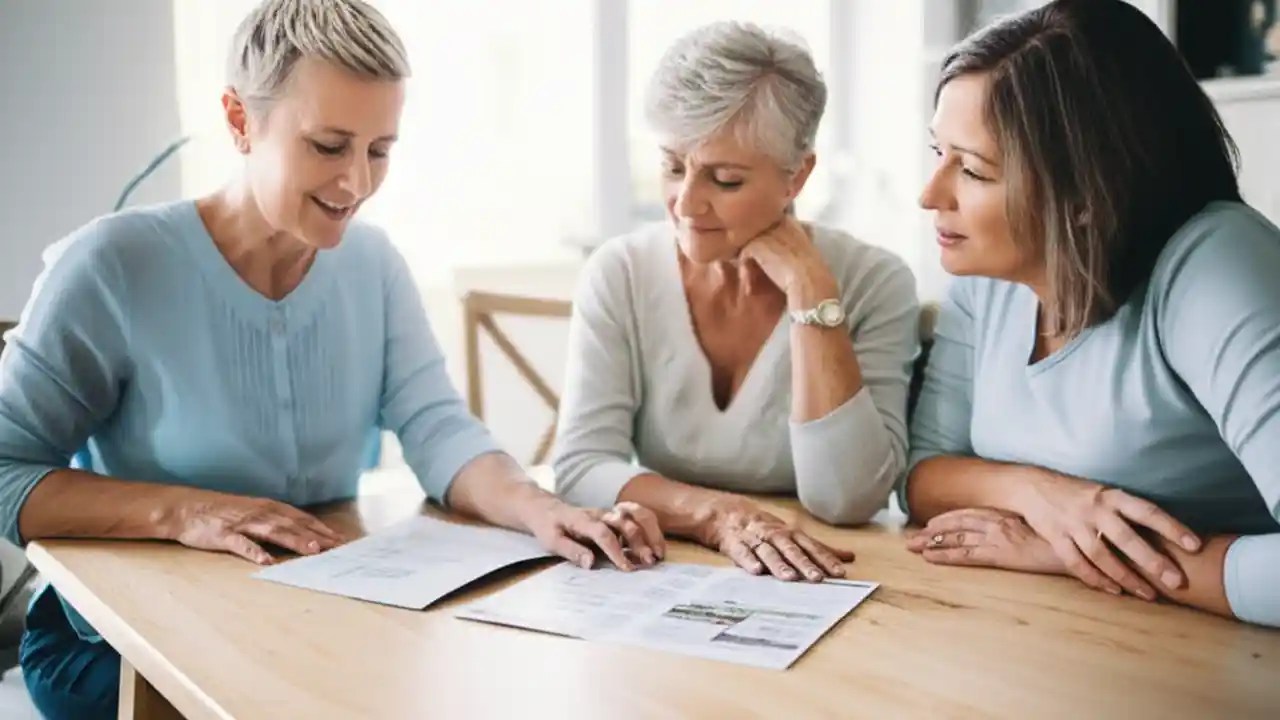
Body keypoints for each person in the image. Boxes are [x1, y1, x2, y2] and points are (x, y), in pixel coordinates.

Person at [0, 1, 662, 717]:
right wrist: (184, 512)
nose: (356, 184)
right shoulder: (114, 265)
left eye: (379, 150)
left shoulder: (372, 265)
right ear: (239, 119)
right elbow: (6, 469)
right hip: (118, 647)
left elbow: (438, 429)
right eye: (327, 146)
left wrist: (542, 510)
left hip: (302, 620)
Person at [903, 0, 1280, 627]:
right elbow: (923, 476)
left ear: (1084, 195)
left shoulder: (1215, 268)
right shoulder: (988, 273)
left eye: (971, 170)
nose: (930, 194)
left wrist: (1079, 551)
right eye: (938, 152)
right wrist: (1041, 496)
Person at [553, 21, 919, 582]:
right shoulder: (620, 272)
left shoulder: (874, 281)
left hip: (826, 574)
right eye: (673, 167)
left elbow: (847, 498)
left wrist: (812, 293)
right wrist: (718, 516)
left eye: (724, 180)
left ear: (797, 177)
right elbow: (581, 469)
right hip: (670, 570)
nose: (685, 204)